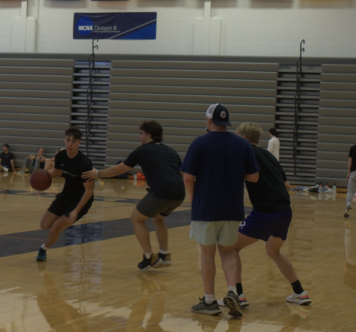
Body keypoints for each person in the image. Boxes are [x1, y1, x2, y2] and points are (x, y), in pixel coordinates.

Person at [180, 104, 259, 317]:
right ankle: (233, 292)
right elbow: (254, 177)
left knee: (207, 253)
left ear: (208, 121)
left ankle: (209, 301)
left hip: (206, 207)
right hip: (232, 208)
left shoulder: (199, 143)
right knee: (228, 252)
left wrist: (192, 199)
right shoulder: (243, 145)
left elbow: (187, 177)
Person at [83, 120, 185, 270]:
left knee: (136, 219)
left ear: (148, 136)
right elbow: (182, 173)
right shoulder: (171, 151)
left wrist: (98, 173)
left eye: (141, 134)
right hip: (180, 194)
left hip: (162, 192)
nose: (139, 137)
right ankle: (164, 255)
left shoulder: (142, 150)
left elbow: (118, 170)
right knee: (158, 218)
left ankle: (149, 258)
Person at [231, 122, 310, 308]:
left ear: (243, 138)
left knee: (230, 247)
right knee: (272, 250)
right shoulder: (270, 156)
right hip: (285, 211)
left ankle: (238, 296)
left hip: (267, 211)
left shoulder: (245, 154)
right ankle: (300, 292)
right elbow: (287, 186)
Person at [36, 127, 95, 262]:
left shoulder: (85, 163)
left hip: (80, 201)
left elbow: (89, 191)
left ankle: (43, 249)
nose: (70, 144)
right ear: (64, 140)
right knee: (44, 225)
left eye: (74, 141)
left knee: (55, 227)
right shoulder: (61, 156)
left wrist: (75, 211)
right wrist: (41, 176)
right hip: (65, 195)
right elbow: (57, 172)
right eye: (68, 140)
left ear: (79, 142)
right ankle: (53, 233)